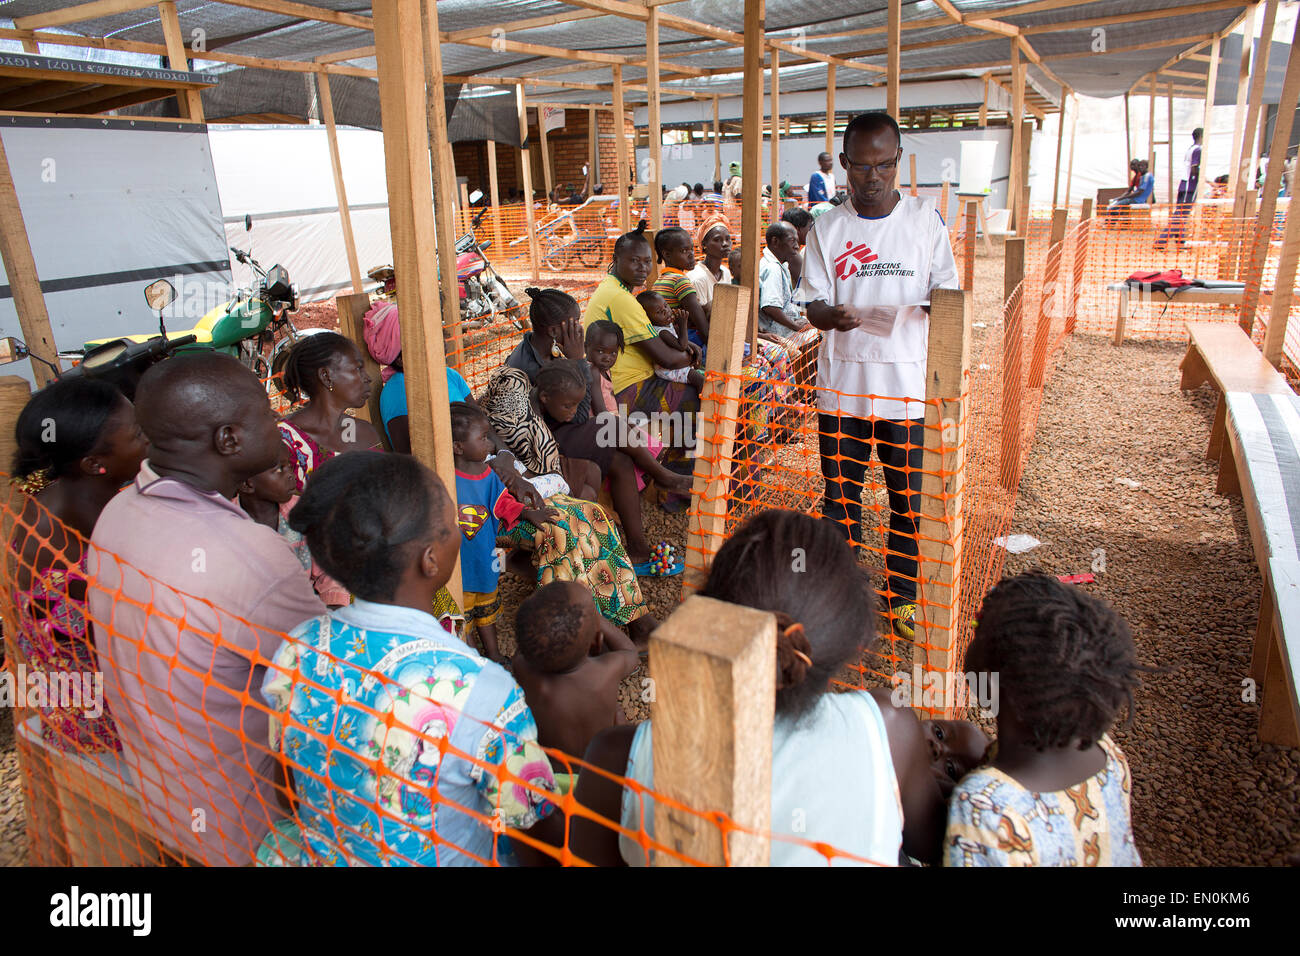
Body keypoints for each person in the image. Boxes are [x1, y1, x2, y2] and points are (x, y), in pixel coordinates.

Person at [570, 509, 947, 866]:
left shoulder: (616, 757)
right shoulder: (888, 730)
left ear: (707, 612)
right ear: (854, 639)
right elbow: (931, 843)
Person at [261, 452, 564, 866]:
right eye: (452, 522)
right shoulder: (482, 689)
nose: (459, 529)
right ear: (430, 559)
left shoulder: (296, 648)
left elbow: (288, 788)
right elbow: (534, 823)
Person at [88, 353, 326, 866]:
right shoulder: (251, 556)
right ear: (229, 440)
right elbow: (341, 685)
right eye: (266, 412)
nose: (279, 422)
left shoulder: (119, 511)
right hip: (249, 829)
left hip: (162, 801)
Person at [797, 111, 959, 641]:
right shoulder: (827, 227)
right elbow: (812, 304)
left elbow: (949, 298)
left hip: (906, 392)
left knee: (907, 501)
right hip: (842, 390)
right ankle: (840, 600)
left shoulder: (924, 221)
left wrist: (933, 306)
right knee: (841, 499)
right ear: (844, 165)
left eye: (884, 165)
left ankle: (901, 599)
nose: (873, 177)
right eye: (862, 166)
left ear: (898, 162)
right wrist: (829, 316)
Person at [944, 573, 1145, 867]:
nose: (971, 632)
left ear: (994, 683)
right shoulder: (1108, 754)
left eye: (977, 627)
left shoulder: (983, 808)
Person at [9, 378, 147, 754]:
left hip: (99, 698)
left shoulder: (75, 493)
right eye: (137, 433)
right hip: (96, 725)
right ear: (94, 463)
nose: (148, 438)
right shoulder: (62, 527)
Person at [581, 222, 700, 476]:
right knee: (693, 397)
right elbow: (667, 358)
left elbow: (657, 339)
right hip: (623, 390)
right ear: (615, 259)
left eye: (647, 262)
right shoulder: (621, 299)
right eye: (634, 261)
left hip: (627, 381)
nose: (643, 268)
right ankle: (677, 481)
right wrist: (688, 354)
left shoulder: (617, 291)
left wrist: (684, 347)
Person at [451, 401, 558, 662]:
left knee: (486, 608)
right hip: (456, 566)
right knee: (461, 615)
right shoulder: (446, 477)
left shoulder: (487, 475)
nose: (491, 445)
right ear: (458, 447)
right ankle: (473, 659)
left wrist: (528, 512)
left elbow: (503, 503)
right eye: (484, 438)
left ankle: (495, 654)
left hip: (484, 560)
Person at [512, 580, 639, 761]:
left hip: (552, 772)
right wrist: (597, 620)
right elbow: (630, 653)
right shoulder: (606, 672)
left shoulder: (522, 669)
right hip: (599, 770)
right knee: (618, 714)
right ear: (597, 644)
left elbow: (525, 648)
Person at [237, 437, 348, 608]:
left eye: (289, 465)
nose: (290, 474)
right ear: (247, 484)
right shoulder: (226, 522)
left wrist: (332, 610)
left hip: (302, 614)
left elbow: (330, 571)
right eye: (280, 469)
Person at [277, 332, 385, 492]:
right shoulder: (283, 440)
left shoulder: (365, 433)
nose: (367, 378)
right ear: (326, 377)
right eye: (358, 369)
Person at [652, 226, 710, 348]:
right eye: (684, 251)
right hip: (682, 341)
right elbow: (702, 326)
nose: (691, 255)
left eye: (692, 249)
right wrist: (714, 346)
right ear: (667, 255)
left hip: (667, 341)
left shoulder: (660, 280)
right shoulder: (680, 281)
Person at [636, 290, 705, 391]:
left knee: (701, 371)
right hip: (668, 371)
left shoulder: (664, 324)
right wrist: (683, 325)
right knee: (700, 380)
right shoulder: (661, 331)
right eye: (659, 312)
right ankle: (704, 404)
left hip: (675, 364)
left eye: (666, 305)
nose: (666, 311)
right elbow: (682, 346)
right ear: (648, 318)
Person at [1158, 128, 1202, 248]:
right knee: (1181, 215)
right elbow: (1194, 169)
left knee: (1181, 214)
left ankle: (1180, 241)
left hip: (1184, 184)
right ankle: (1162, 241)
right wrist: (1204, 180)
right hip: (1190, 185)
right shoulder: (1198, 149)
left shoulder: (1191, 149)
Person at [688, 217, 733, 316]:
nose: (725, 244)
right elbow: (702, 318)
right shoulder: (698, 278)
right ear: (704, 245)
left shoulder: (725, 272)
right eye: (717, 240)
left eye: (728, 239)